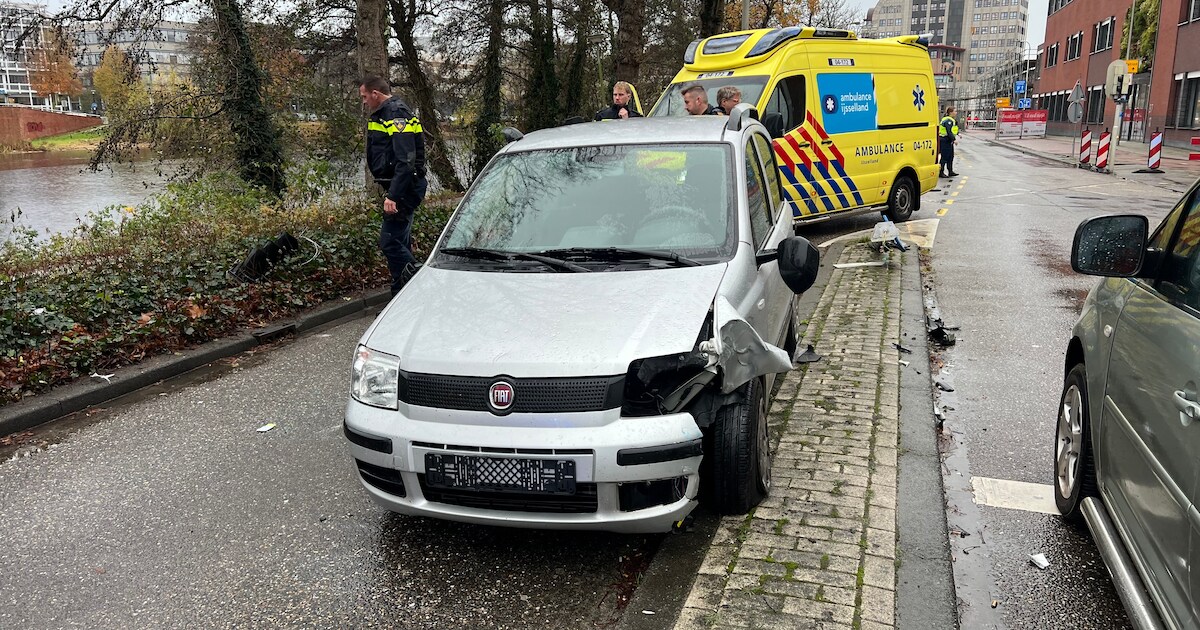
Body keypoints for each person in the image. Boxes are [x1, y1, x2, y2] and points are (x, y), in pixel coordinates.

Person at [359, 75, 428, 296]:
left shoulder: (396, 113)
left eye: (364, 97)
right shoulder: (385, 113)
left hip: (405, 188)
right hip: (401, 186)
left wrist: (394, 195)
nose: (364, 102)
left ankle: (421, 288)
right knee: (401, 242)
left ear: (375, 94)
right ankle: (402, 296)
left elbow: (406, 159)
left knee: (390, 242)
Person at [938, 106, 959, 178]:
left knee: (950, 156)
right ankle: (941, 172)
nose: (956, 113)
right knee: (944, 157)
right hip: (945, 140)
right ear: (950, 112)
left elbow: (953, 130)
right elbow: (949, 131)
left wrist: (958, 134)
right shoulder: (948, 120)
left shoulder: (951, 120)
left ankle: (950, 171)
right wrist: (954, 139)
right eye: (955, 111)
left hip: (948, 140)